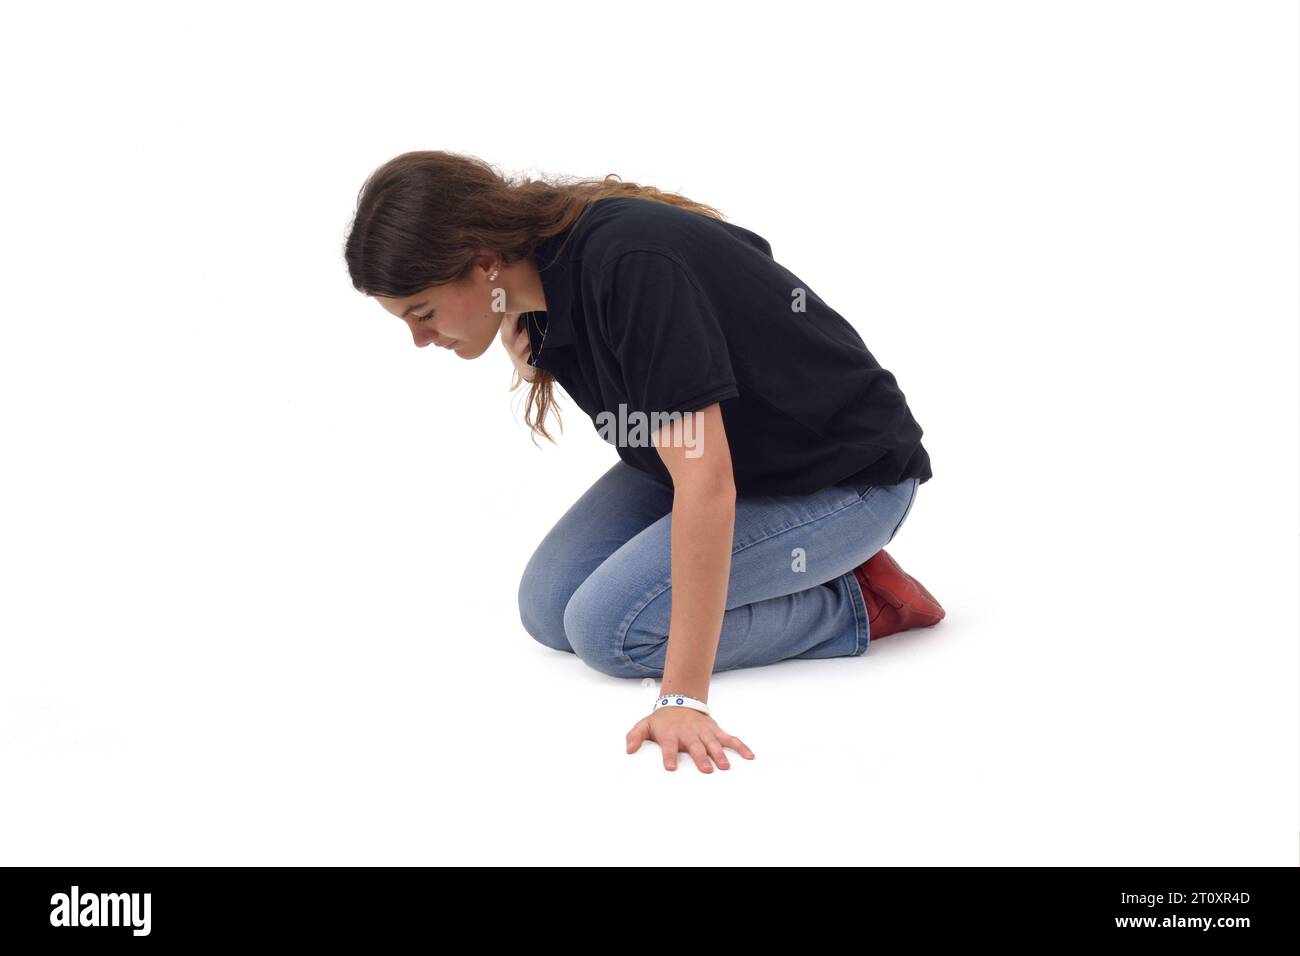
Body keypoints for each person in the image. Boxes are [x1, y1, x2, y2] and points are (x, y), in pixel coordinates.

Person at [344, 150, 945, 773]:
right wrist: (527, 352)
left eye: (423, 313)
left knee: (611, 632)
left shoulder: (630, 267)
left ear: (484, 261)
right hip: (723, 461)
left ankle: (856, 600)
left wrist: (684, 697)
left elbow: (706, 484)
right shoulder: (529, 287)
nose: (419, 339)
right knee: (549, 608)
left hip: (840, 479)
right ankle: (782, 567)